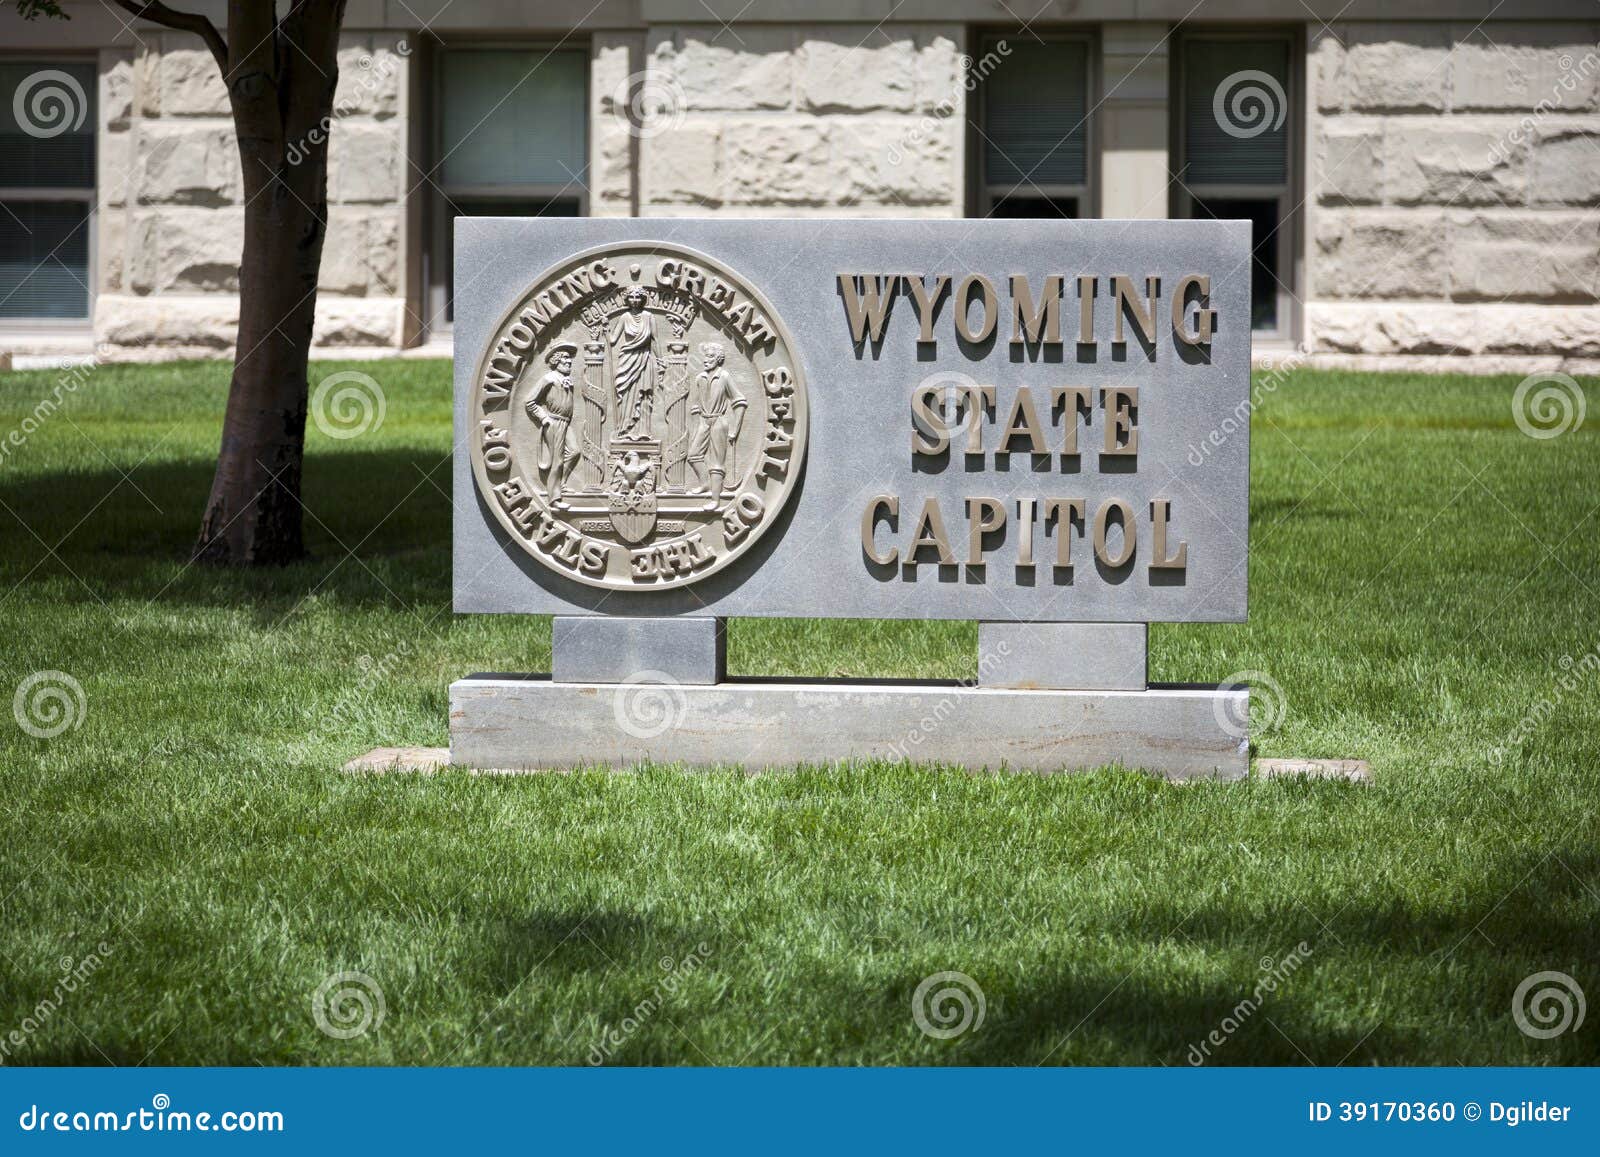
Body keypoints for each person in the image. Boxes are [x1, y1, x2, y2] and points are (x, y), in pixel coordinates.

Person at [687, 341, 747, 510]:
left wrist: (735, 429)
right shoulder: (700, 378)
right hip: (703, 421)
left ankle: (715, 499)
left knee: (716, 462)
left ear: (719, 359)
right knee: (693, 454)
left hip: (719, 422)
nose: (706, 360)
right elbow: (696, 404)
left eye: (711, 356)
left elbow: (740, 401)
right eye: (705, 356)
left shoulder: (725, 377)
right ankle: (705, 484)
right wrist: (695, 422)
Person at [525, 342, 580, 503]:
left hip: (565, 423)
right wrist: (543, 417)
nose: (569, 361)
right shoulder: (548, 379)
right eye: (565, 358)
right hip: (554, 422)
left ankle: (561, 484)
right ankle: (554, 499)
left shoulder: (567, 380)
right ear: (556, 361)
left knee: (575, 452)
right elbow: (530, 401)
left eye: (570, 358)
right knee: (557, 459)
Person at [608, 286, 661, 439]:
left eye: (638, 297)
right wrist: (605, 328)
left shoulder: (649, 316)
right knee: (626, 394)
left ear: (643, 299)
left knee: (644, 394)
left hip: (644, 359)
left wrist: (660, 360)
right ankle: (625, 430)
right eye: (631, 297)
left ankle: (643, 432)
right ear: (627, 299)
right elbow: (612, 340)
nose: (635, 301)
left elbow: (655, 340)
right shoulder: (624, 317)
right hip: (627, 360)